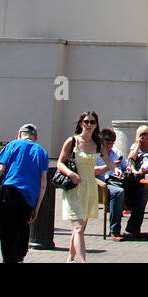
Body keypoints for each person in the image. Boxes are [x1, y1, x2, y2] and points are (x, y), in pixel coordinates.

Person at [0, 124, 48, 263]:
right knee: (22, 228)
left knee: (6, 230)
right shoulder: (41, 152)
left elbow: (0, 168)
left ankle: (10, 259)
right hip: (28, 196)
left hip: (10, 192)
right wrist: (37, 207)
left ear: (19, 134)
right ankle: (20, 256)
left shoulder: (12, 145)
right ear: (36, 137)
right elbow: (43, 183)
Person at [56, 111, 105, 261]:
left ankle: (70, 259)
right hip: (74, 189)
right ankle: (83, 261)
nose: (89, 124)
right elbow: (59, 163)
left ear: (96, 125)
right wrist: (71, 174)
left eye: (92, 122)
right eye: (86, 121)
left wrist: (114, 168)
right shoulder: (72, 141)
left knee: (80, 228)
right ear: (80, 123)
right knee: (78, 228)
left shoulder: (97, 143)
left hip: (89, 188)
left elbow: (101, 165)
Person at [96, 128, 128, 239]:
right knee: (118, 192)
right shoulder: (96, 154)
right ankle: (114, 230)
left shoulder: (117, 153)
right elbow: (92, 171)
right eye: (107, 141)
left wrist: (129, 170)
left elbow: (126, 166)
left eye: (112, 142)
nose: (110, 144)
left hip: (119, 180)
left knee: (141, 190)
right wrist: (110, 166)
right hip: (103, 183)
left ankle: (134, 227)